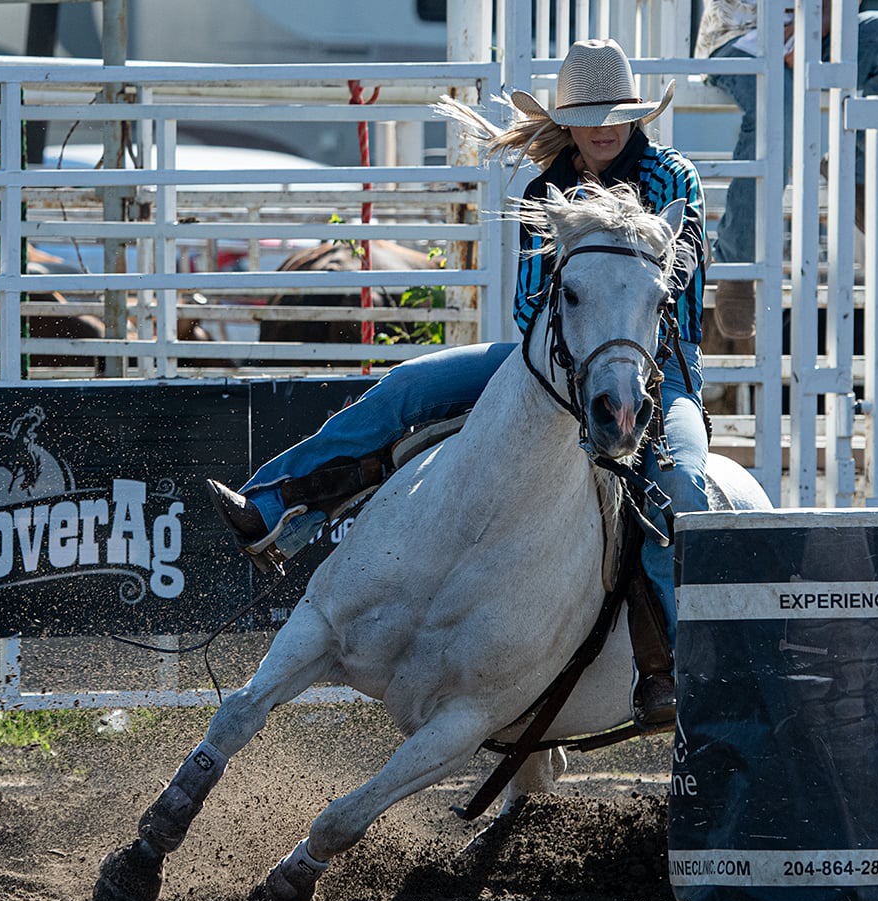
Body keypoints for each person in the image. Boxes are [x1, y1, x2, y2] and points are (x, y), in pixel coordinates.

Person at [206, 38, 708, 729]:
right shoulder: (548, 190)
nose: (604, 126)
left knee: (682, 487)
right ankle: (276, 504)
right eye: (589, 112)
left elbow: (676, 291)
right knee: (408, 386)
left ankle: (668, 666)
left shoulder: (674, 179)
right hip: (552, 364)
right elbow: (531, 307)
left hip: (656, 371)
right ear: (567, 119)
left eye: (615, 112)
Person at [698, 0, 878, 338]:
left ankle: (858, 174)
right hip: (740, 36)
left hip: (819, 31)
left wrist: (818, 25)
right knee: (777, 106)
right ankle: (738, 264)